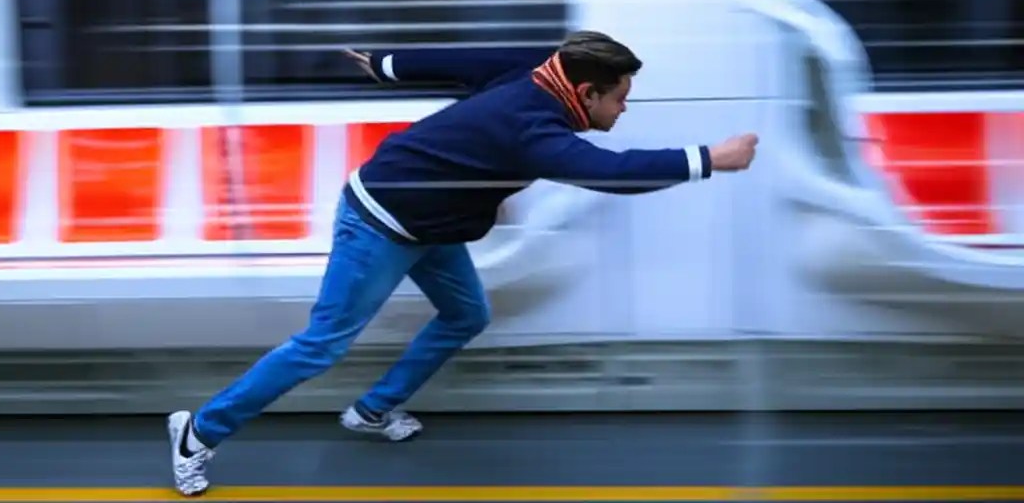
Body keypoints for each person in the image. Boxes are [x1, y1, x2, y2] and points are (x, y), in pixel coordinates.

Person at [167, 31, 759, 496]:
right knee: (322, 344)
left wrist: (386, 63)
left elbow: (462, 59)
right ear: (586, 93)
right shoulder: (533, 127)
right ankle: (197, 433)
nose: (625, 110)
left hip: (431, 220)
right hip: (380, 220)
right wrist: (711, 158)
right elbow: (612, 173)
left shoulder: (540, 67)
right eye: (621, 98)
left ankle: (371, 410)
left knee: (465, 315)